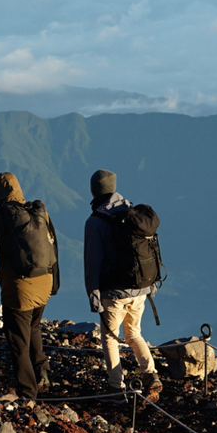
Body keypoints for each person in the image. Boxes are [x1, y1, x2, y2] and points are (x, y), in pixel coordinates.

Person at [0, 171, 59, 403]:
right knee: (34, 326)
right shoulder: (39, 213)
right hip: (45, 283)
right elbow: (53, 249)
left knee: (17, 342)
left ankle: (28, 394)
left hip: (20, 290)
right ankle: (42, 371)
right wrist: (54, 284)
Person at [84, 167, 161, 399]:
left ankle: (116, 387)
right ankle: (151, 375)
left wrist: (93, 293)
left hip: (112, 292)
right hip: (140, 288)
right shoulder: (132, 214)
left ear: (94, 190)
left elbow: (92, 261)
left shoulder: (96, 221)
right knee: (134, 333)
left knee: (110, 337)